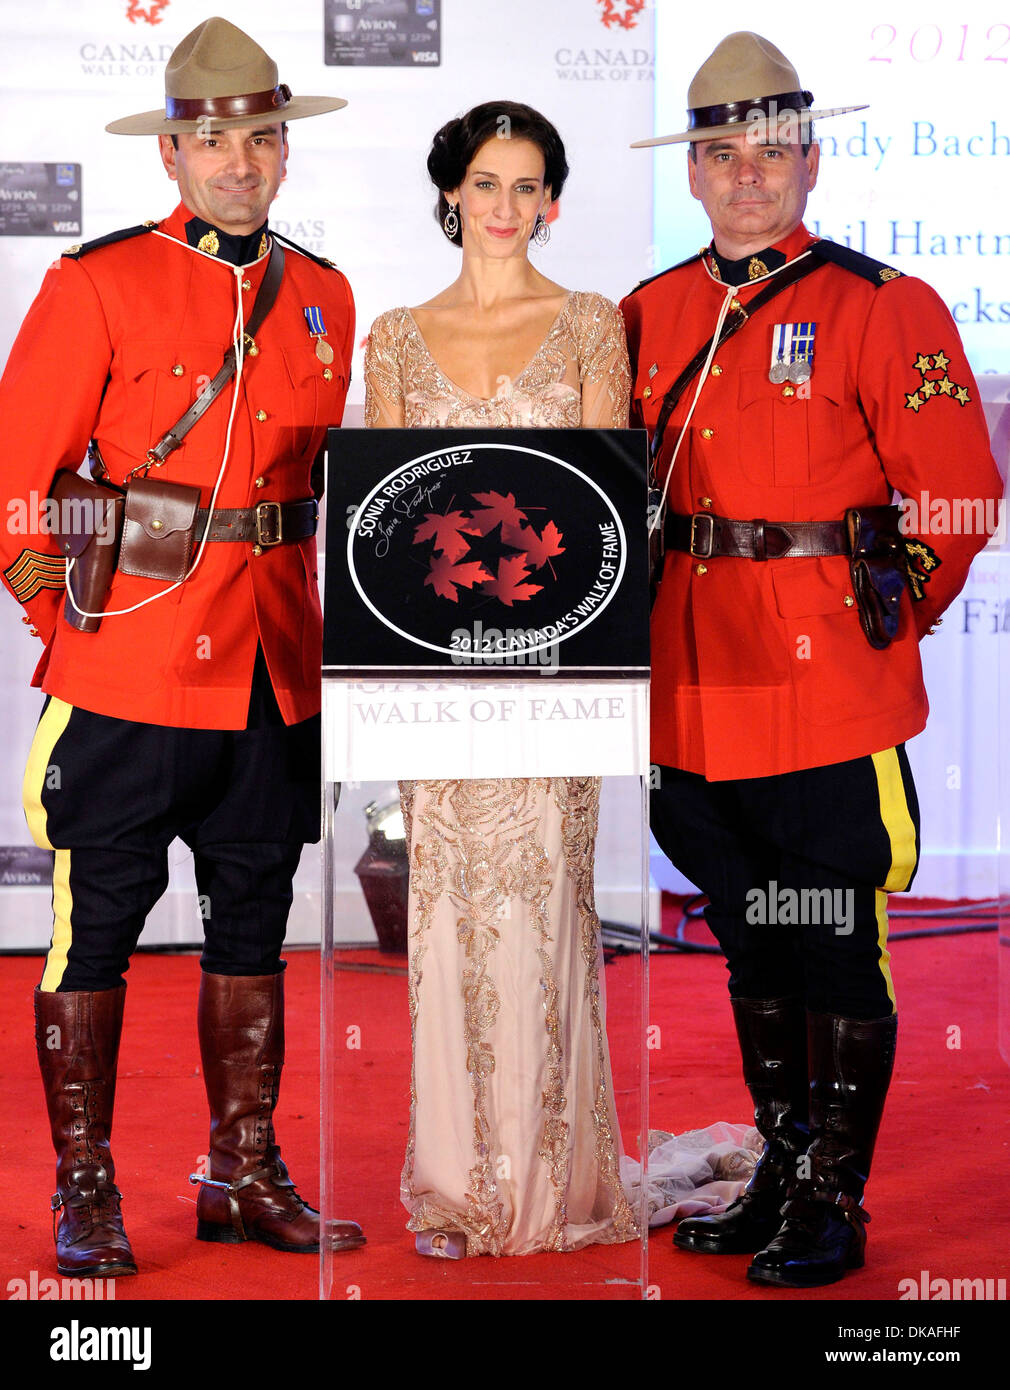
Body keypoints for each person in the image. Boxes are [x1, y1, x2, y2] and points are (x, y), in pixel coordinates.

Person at [621, 31, 1002, 1287]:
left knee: (832, 939)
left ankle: (834, 1199)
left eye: (771, 149)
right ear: (692, 170)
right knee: (750, 939)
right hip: (690, 696)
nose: (747, 176)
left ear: (811, 158)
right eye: (722, 153)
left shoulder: (883, 306)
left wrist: (876, 617)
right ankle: (781, 1166)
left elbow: (954, 498)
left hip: (823, 699)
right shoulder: (648, 313)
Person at [0, 18, 365, 1276]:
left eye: (261, 136)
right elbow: (17, 478)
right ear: (171, 150)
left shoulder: (323, 294)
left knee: (251, 929)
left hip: (270, 664)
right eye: (212, 138)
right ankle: (88, 1187)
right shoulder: (94, 283)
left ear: (281, 150)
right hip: (128, 667)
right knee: (92, 932)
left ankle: (243, 1170)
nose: (240, 160)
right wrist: (67, 622)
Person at [363, 101, 639, 1257]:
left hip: (552, 673)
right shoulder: (392, 337)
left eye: (526, 186)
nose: (505, 208)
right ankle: (450, 1184)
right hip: (437, 688)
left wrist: (532, 647)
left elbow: (599, 524)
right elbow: (386, 531)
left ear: (552, 200)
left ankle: (550, 1183)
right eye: (485, 183)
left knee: (539, 914)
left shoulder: (588, 326)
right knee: (445, 919)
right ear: (449, 195)